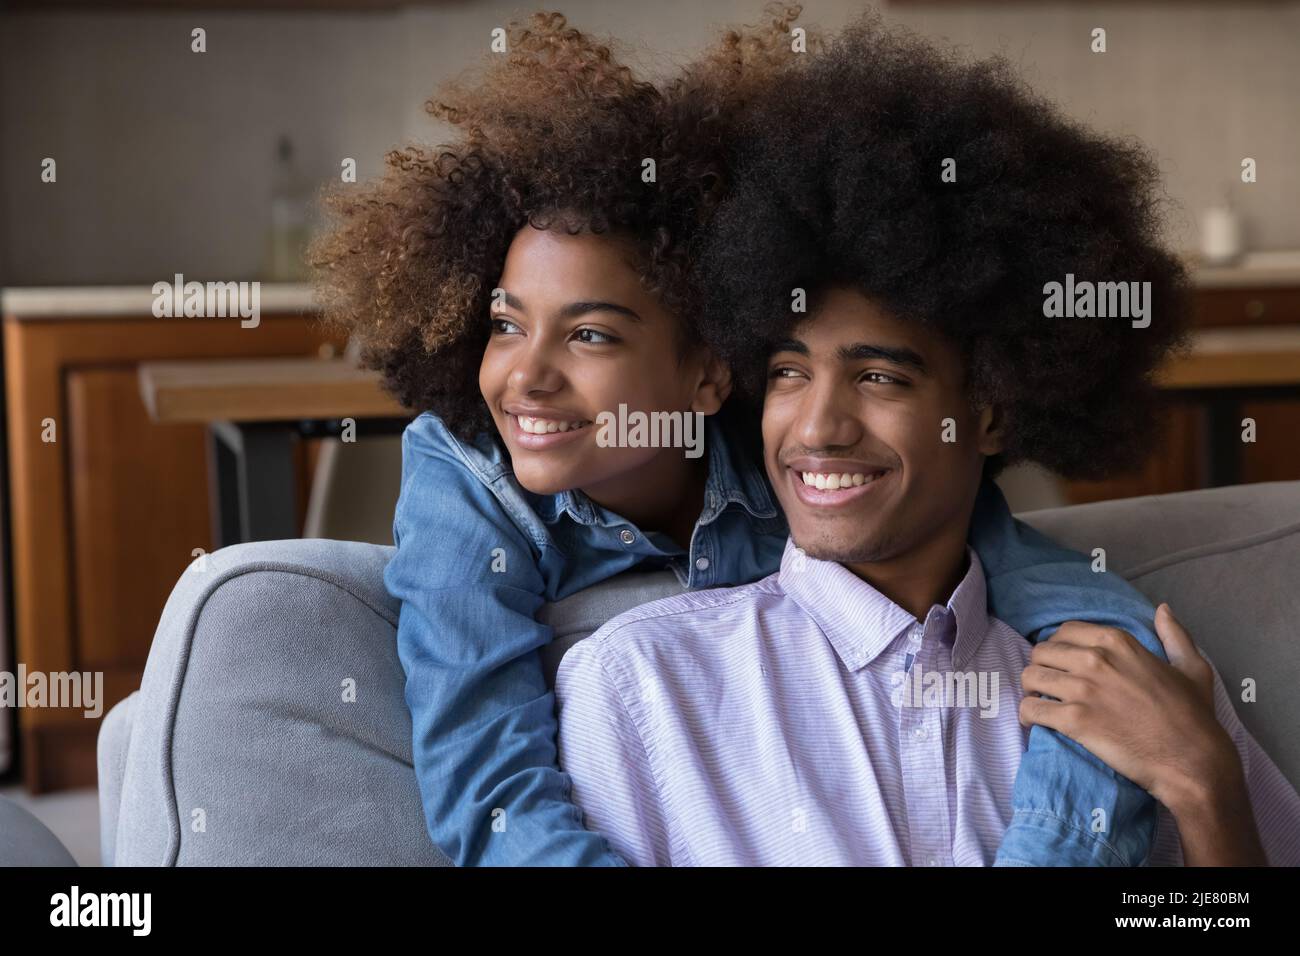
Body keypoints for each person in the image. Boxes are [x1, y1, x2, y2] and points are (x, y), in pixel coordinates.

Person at [310, 7, 1173, 867]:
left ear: (715, 367)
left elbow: (1074, 601)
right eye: (506, 325)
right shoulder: (466, 474)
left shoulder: (799, 453)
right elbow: (492, 792)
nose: (526, 375)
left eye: (591, 335)